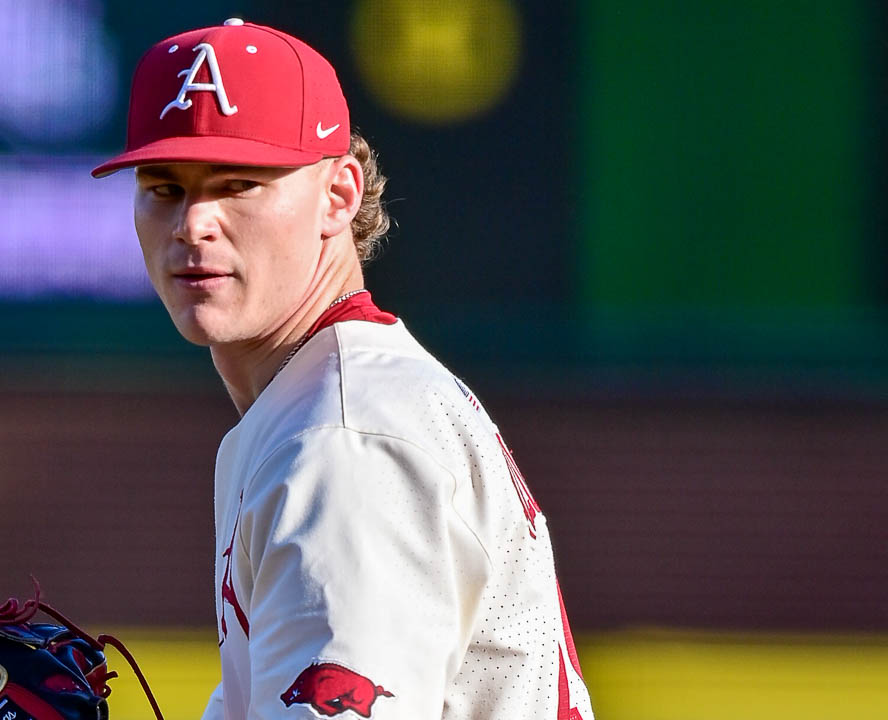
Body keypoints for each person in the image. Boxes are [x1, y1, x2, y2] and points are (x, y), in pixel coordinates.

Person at [92, 18, 594, 720]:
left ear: (339, 194)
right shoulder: (327, 403)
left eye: (238, 183)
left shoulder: (344, 440)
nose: (194, 223)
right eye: (165, 187)